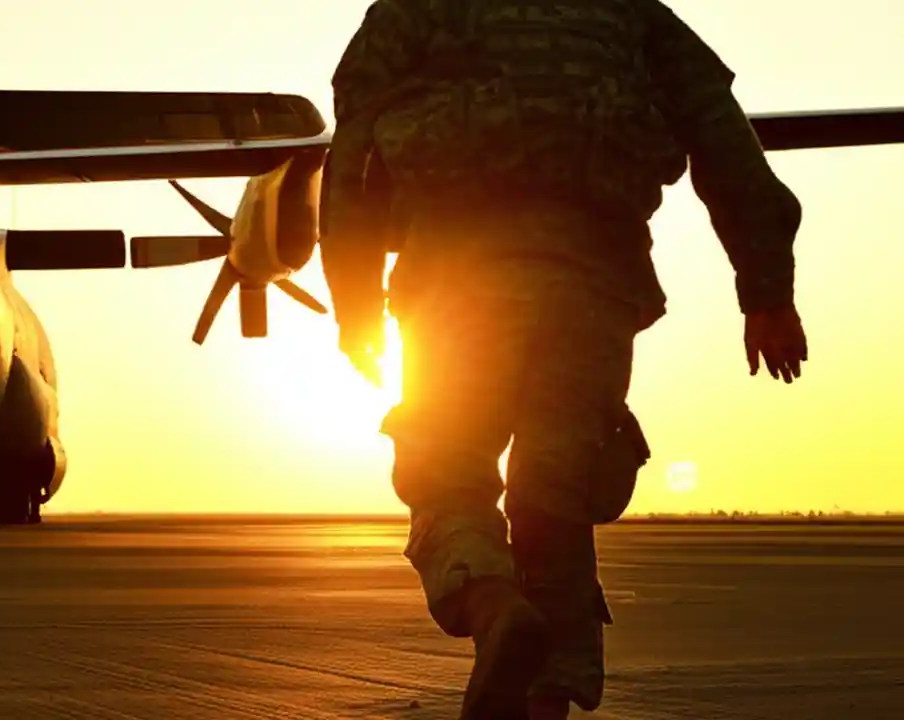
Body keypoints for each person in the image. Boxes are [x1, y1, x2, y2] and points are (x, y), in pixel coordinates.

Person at [319, 1, 809, 718]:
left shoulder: (412, 11)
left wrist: (354, 299)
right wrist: (765, 291)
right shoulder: (628, 11)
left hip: (454, 278)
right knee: (556, 491)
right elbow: (722, 136)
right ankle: (547, 698)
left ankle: (493, 610)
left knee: (446, 471)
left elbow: (352, 157)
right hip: (590, 279)